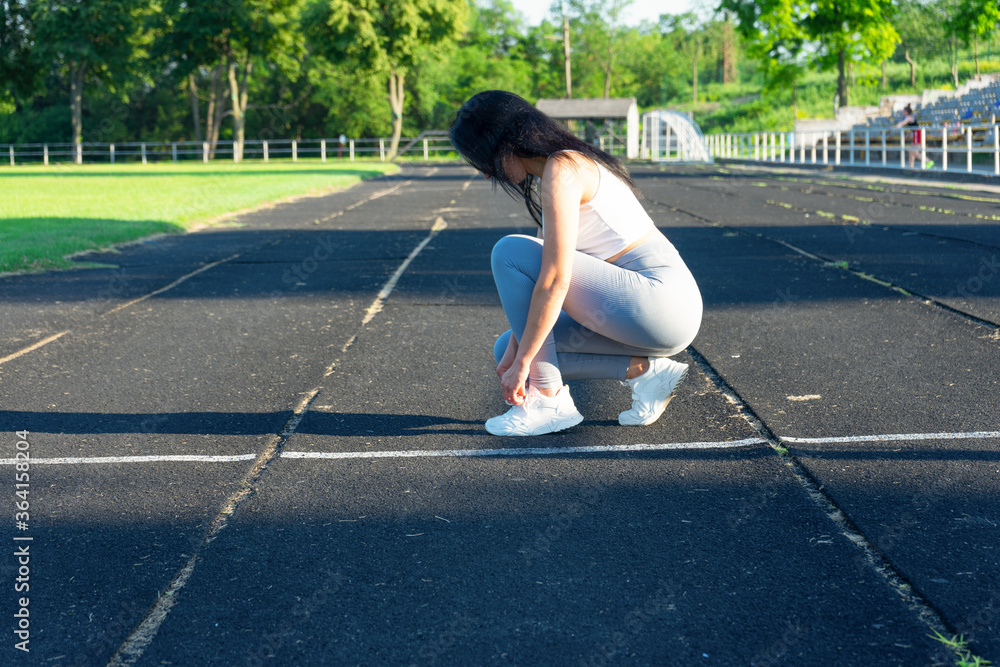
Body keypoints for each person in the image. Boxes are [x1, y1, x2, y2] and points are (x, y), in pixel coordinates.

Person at [448, 90, 703, 436]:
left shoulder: (563, 169)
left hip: (660, 301)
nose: (486, 175)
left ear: (502, 145)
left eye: (482, 161)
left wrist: (524, 364)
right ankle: (646, 373)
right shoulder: (561, 170)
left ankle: (550, 401)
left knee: (509, 252)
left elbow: (554, 281)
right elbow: (538, 290)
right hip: (654, 313)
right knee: (508, 349)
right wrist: (517, 356)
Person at [895, 104, 922, 168]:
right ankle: (911, 166)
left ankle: (929, 162)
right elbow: (909, 131)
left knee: (915, 153)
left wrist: (896, 127)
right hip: (916, 134)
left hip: (917, 134)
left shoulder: (909, 117)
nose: (902, 112)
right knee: (910, 151)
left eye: (903, 111)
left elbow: (902, 123)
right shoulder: (910, 118)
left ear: (906, 112)